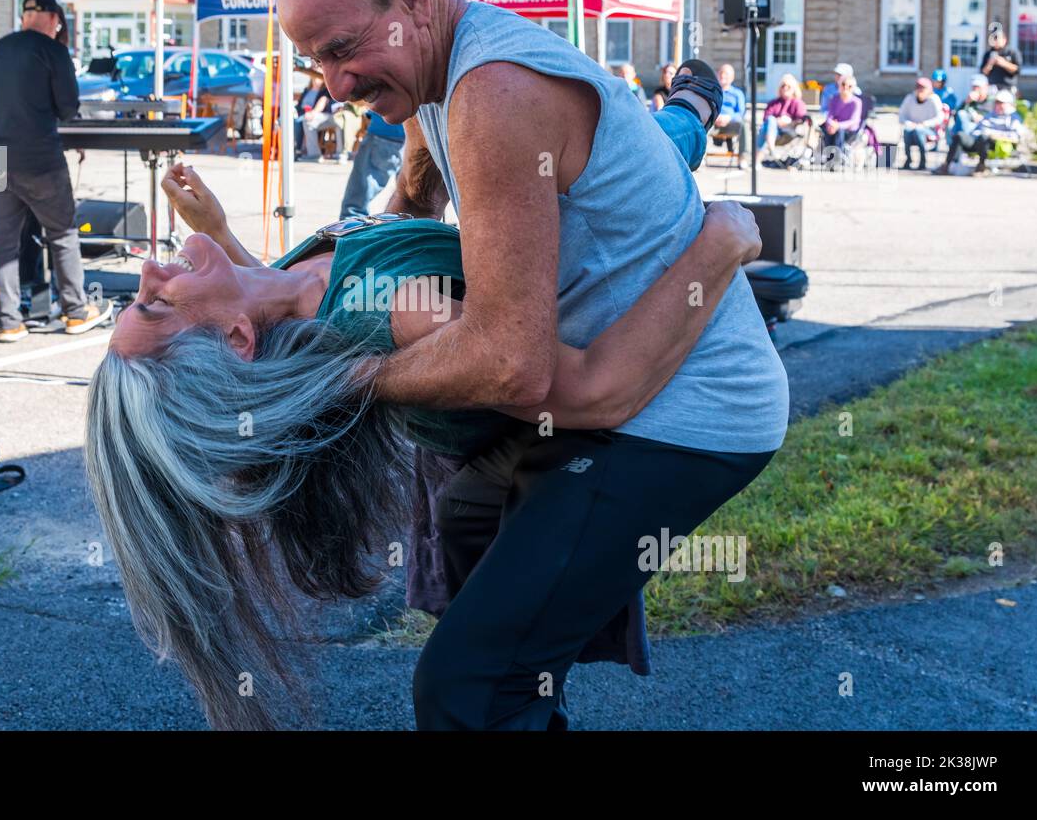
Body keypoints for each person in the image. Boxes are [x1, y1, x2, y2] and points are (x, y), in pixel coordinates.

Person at [87, 67, 756, 730]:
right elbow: (589, 385)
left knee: (501, 683)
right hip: (620, 338)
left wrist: (410, 178)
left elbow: (311, 279)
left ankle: (692, 105)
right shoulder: (398, 318)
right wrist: (719, 247)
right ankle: (695, 104)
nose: (146, 272)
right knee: (648, 148)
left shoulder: (289, 299)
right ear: (234, 340)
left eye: (135, 294)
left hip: (534, 381)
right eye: (155, 304)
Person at [270, 0, 785, 731]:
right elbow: (421, 241)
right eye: (314, 63)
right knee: (468, 537)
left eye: (341, 49)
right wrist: (414, 174)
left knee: (466, 686)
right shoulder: (441, 80)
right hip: (593, 391)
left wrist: (343, 381)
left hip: (684, 417)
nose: (334, 85)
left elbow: (511, 363)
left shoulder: (493, 90)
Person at [0, 0, 111, 342]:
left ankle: (8, 322)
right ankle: (76, 312)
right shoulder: (53, 50)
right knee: (63, 232)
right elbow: (68, 107)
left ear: (25, 16)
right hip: (36, 156)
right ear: (54, 20)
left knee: (3, 240)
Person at [935, 90, 1024, 175]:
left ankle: (981, 166)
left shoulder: (1013, 118)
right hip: (977, 140)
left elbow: (1016, 136)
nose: (998, 105)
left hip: (995, 144)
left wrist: (995, 134)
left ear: (1009, 104)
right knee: (959, 135)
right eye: (997, 102)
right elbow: (978, 129)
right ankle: (948, 165)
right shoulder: (991, 114)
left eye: (1001, 103)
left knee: (984, 137)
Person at [338, 109, 405, 218]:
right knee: (412, 204)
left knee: (354, 208)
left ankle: (353, 231)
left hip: (384, 131)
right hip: (415, 135)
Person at [897, 76, 945, 171]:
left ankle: (922, 161)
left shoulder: (934, 99)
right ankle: (908, 159)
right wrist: (909, 123)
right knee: (907, 130)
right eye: (918, 87)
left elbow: (940, 118)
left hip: (929, 131)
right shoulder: (910, 98)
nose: (920, 90)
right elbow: (901, 116)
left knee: (919, 131)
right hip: (912, 128)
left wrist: (924, 124)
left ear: (929, 89)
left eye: (923, 87)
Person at [757, 72, 807, 162]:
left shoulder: (798, 103)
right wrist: (776, 122)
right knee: (770, 122)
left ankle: (759, 158)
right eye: (783, 85)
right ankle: (770, 149)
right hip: (774, 131)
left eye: (788, 86)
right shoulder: (773, 103)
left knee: (766, 129)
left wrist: (789, 123)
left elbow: (802, 119)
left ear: (794, 89)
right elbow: (766, 118)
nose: (785, 88)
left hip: (788, 132)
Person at [819, 74, 863, 170]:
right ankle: (828, 157)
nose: (846, 87)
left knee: (839, 131)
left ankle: (836, 159)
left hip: (849, 130)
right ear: (839, 85)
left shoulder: (856, 102)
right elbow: (829, 115)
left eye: (849, 86)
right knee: (824, 129)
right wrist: (830, 124)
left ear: (853, 88)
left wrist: (837, 125)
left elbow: (853, 121)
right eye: (843, 84)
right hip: (833, 126)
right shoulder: (834, 99)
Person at [294, 73, 338, 159]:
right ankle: (292, 149)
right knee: (289, 121)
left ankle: (298, 150)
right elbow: (299, 104)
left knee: (298, 122)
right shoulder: (306, 90)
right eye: (314, 78)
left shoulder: (324, 91)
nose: (315, 80)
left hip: (313, 114)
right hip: (302, 113)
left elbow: (322, 102)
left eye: (317, 78)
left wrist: (313, 112)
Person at [712, 63, 747, 166]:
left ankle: (743, 158)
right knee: (700, 123)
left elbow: (741, 113)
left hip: (731, 123)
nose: (723, 76)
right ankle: (700, 158)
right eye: (721, 73)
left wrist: (729, 117)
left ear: (732, 78)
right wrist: (715, 117)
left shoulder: (737, 93)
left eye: (726, 74)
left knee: (745, 124)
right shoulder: (712, 91)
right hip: (713, 123)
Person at [981, 22, 1021, 97]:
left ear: (1004, 39)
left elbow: (1017, 70)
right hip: (992, 87)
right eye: (994, 38)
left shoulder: (1012, 52)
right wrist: (990, 64)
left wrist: (1003, 63)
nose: (995, 41)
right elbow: (983, 72)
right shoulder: (988, 53)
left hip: (1008, 87)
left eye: (997, 38)